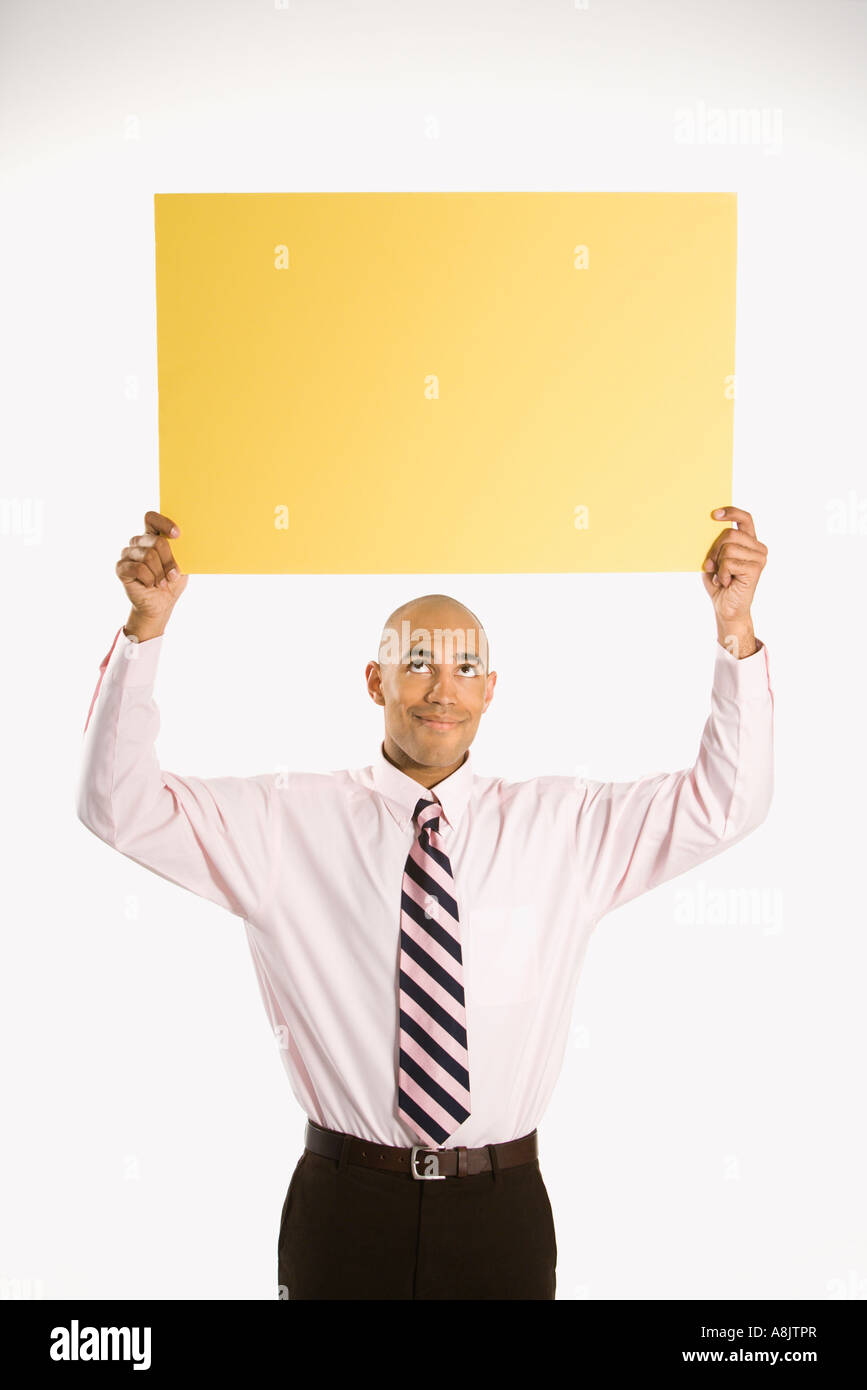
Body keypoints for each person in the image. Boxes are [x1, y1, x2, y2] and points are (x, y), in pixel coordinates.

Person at [77, 504, 773, 1300]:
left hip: (500, 1207)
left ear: (490, 690)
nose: (441, 690)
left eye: (464, 668)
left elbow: (728, 803)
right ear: (374, 680)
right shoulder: (282, 821)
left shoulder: (566, 825)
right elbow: (116, 805)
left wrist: (735, 628)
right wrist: (146, 629)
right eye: (416, 662)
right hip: (343, 1205)